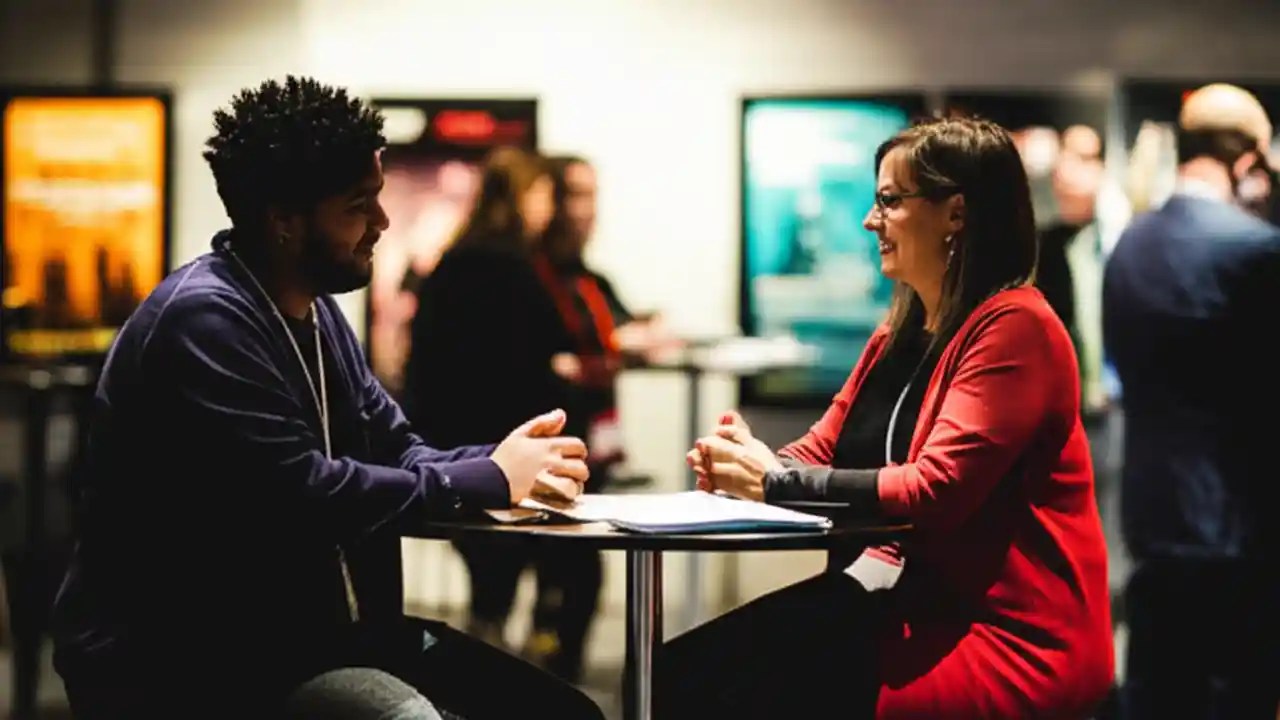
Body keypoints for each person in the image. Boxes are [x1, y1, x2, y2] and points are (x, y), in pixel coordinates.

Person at [49, 76, 603, 720]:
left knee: (565, 713)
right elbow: (305, 494)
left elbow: (397, 447)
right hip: (189, 662)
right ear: (284, 221)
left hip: (309, 642)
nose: (382, 221)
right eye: (357, 205)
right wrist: (487, 478)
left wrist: (512, 467)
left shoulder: (315, 313)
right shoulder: (204, 320)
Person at [664, 116, 1114, 718]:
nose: (869, 220)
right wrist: (750, 462)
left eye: (889, 201)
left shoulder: (1017, 327)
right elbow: (821, 450)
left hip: (1004, 635)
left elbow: (936, 488)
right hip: (903, 599)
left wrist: (772, 482)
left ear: (956, 213)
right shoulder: (899, 333)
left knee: (741, 690)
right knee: (679, 673)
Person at [1103, 83, 1280, 720]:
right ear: (1250, 160)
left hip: (1152, 519)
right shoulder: (1255, 250)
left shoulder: (1129, 246)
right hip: (1240, 530)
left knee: (1156, 696)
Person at [404, 146, 570, 651]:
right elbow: (534, 349)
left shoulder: (459, 258)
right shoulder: (509, 265)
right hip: (494, 439)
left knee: (490, 576)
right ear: (521, 196)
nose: (549, 208)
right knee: (507, 572)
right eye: (542, 194)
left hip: (454, 435)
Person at [520, 154, 674, 681]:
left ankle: (562, 679)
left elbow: (633, 332)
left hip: (591, 451)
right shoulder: (527, 277)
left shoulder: (590, 280)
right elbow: (535, 361)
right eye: (576, 195)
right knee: (551, 575)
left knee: (579, 576)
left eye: (593, 195)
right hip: (538, 450)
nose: (588, 211)